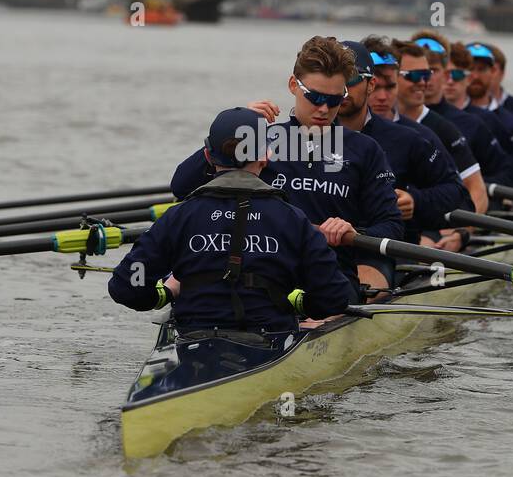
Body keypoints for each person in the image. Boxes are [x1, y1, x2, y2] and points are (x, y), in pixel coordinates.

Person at [110, 107, 356, 396]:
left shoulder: (179, 217)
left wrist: (165, 293)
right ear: (266, 156)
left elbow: (125, 287)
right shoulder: (293, 219)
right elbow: (336, 297)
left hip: (191, 342)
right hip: (268, 344)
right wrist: (295, 301)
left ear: (207, 157)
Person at [169, 35, 403, 299]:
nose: (324, 109)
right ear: (293, 85)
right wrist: (235, 127)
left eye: (334, 100)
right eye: (314, 97)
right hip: (261, 272)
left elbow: (391, 225)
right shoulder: (262, 138)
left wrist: (352, 232)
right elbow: (182, 186)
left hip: (326, 277)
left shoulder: (365, 150)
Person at [336, 40, 470, 250]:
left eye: (389, 86)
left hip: (388, 249)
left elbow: (459, 194)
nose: (381, 96)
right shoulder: (309, 133)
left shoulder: (415, 137)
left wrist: (416, 200)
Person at [361, 34, 488, 214]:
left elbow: (467, 193)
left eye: (425, 75)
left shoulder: (430, 133)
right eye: (413, 76)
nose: (422, 83)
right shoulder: (327, 131)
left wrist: (457, 235)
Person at [413, 31, 513, 190]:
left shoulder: (476, 122)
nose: (424, 78)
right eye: (413, 74)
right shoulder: (386, 118)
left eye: (432, 70)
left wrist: (483, 189)